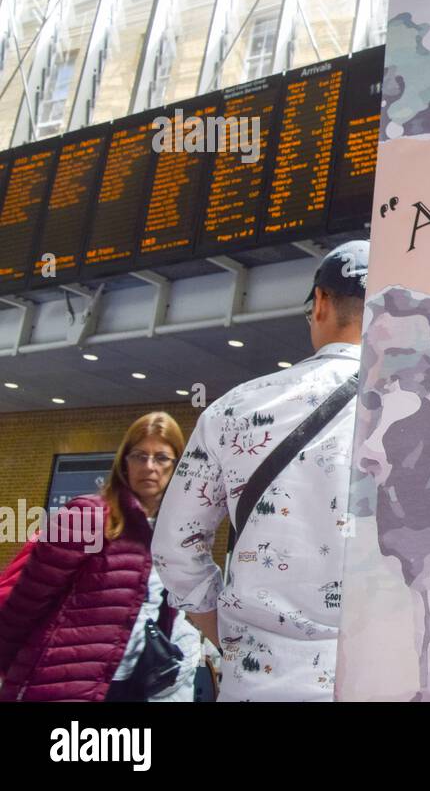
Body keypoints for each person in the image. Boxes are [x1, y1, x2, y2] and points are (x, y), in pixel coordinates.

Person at [154, 240, 367, 701]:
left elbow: (174, 550)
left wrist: (228, 633)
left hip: (260, 681)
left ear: (322, 303)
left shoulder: (234, 408)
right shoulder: (429, 411)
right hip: (389, 680)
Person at [0, 412, 203, 702]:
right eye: (139, 455)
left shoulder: (172, 534)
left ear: (176, 467)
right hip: (63, 682)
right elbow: (25, 604)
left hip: (131, 684)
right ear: (124, 462)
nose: (149, 466)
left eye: (161, 458)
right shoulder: (86, 516)